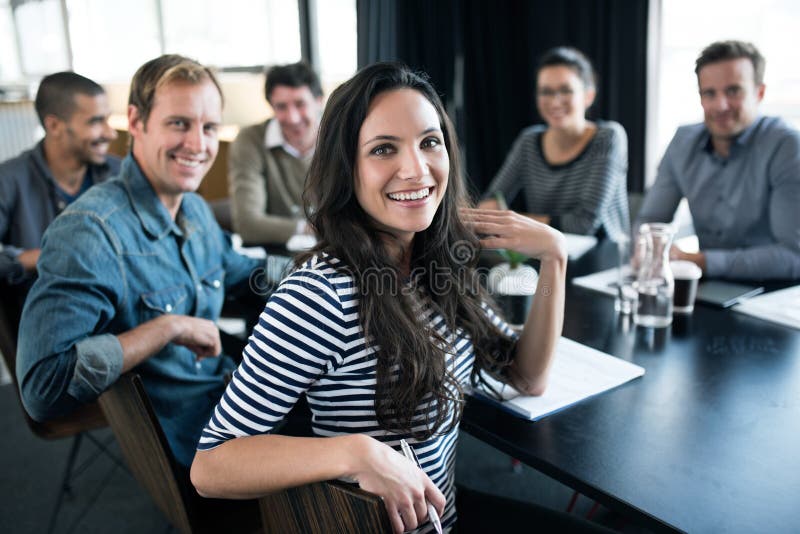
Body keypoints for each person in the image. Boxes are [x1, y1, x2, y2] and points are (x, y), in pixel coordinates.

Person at [190, 63, 620, 534]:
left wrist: (555, 258)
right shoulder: (319, 295)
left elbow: (527, 376)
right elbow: (211, 466)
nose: (416, 169)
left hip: (445, 517)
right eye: (383, 149)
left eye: (429, 142)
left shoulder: (438, 265)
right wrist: (356, 452)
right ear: (346, 168)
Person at [16, 55, 266, 468]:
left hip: (232, 397)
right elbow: (43, 389)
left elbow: (241, 271)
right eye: (179, 123)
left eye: (209, 128)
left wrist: (316, 271)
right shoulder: (90, 232)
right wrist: (167, 328)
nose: (198, 145)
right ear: (136, 121)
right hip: (204, 443)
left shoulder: (193, 209)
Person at [636, 40, 800, 280]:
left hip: (771, 290)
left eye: (733, 91)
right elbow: (649, 221)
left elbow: (794, 256)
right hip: (703, 285)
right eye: (709, 93)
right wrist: (646, 250)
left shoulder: (787, 146)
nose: (720, 105)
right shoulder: (683, 142)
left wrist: (701, 261)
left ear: (759, 93)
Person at [480, 47, 629, 243]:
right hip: (546, 251)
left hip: (602, 256)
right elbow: (492, 199)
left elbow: (583, 224)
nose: (555, 102)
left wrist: (509, 221)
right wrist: (489, 212)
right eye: (546, 92)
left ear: (588, 96)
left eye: (566, 91)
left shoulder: (608, 137)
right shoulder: (529, 141)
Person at [0, 72, 119, 313]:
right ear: (54, 126)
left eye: (107, 119)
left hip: (115, 312)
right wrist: (49, 256)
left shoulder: (119, 172)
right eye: (96, 121)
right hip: (44, 317)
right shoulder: (9, 179)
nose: (110, 133)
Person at [228, 62, 323, 245]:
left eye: (300, 104)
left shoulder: (341, 138)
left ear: (318, 101)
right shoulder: (251, 140)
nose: (293, 118)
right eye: (281, 107)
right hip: (276, 253)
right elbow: (247, 224)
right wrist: (312, 229)